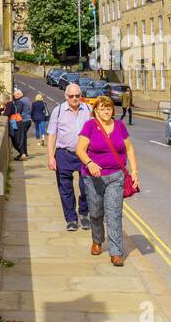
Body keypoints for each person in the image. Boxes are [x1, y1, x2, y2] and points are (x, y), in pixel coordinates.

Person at [76, 94, 140, 266]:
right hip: (93, 178)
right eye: (102, 108)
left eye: (109, 108)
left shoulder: (119, 126)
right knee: (96, 213)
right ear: (95, 110)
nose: (106, 111)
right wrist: (90, 163)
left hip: (116, 176)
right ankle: (97, 239)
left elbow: (129, 148)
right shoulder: (89, 126)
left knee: (114, 214)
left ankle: (116, 252)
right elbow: (80, 150)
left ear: (113, 110)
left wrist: (134, 171)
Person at [46, 83, 92, 230]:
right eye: (71, 96)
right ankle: (71, 218)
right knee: (65, 188)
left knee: (86, 186)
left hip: (84, 153)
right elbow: (51, 134)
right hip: (64, 154)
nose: (74, 98)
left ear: (81, 96)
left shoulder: (89, 110)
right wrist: (50, 157)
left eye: (77, 95)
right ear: (66, 96)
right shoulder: (58, 111)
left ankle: (84, 214)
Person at [0, 87, 32, 160]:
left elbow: (17, 111)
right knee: (22, 138)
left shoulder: (20, 102)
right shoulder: (27, 99)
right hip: (28, 120)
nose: (14, 97)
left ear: (19, 94)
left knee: (19, 139)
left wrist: (3, 110)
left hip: (21, 121)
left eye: (15, 95)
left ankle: (23, 154)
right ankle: (23, 154)